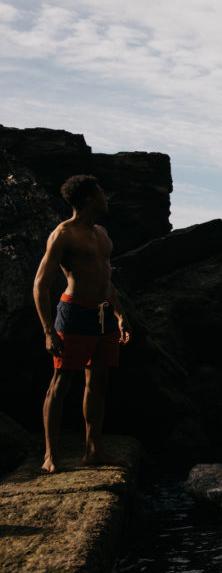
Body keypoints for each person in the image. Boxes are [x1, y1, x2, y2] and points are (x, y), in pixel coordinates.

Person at [33, 175, 132, 474]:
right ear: (89, 198)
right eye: (101, 193)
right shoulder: (63, 234)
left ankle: (93, 450)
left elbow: (106, 279)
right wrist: (48, 331)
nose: (106, 198)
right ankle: (50, 455)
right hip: (74, 312)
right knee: (60, 383)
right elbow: (40, 284)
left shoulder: (101, 232)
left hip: (103, 315)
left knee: (98, 382)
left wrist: (120, 314)